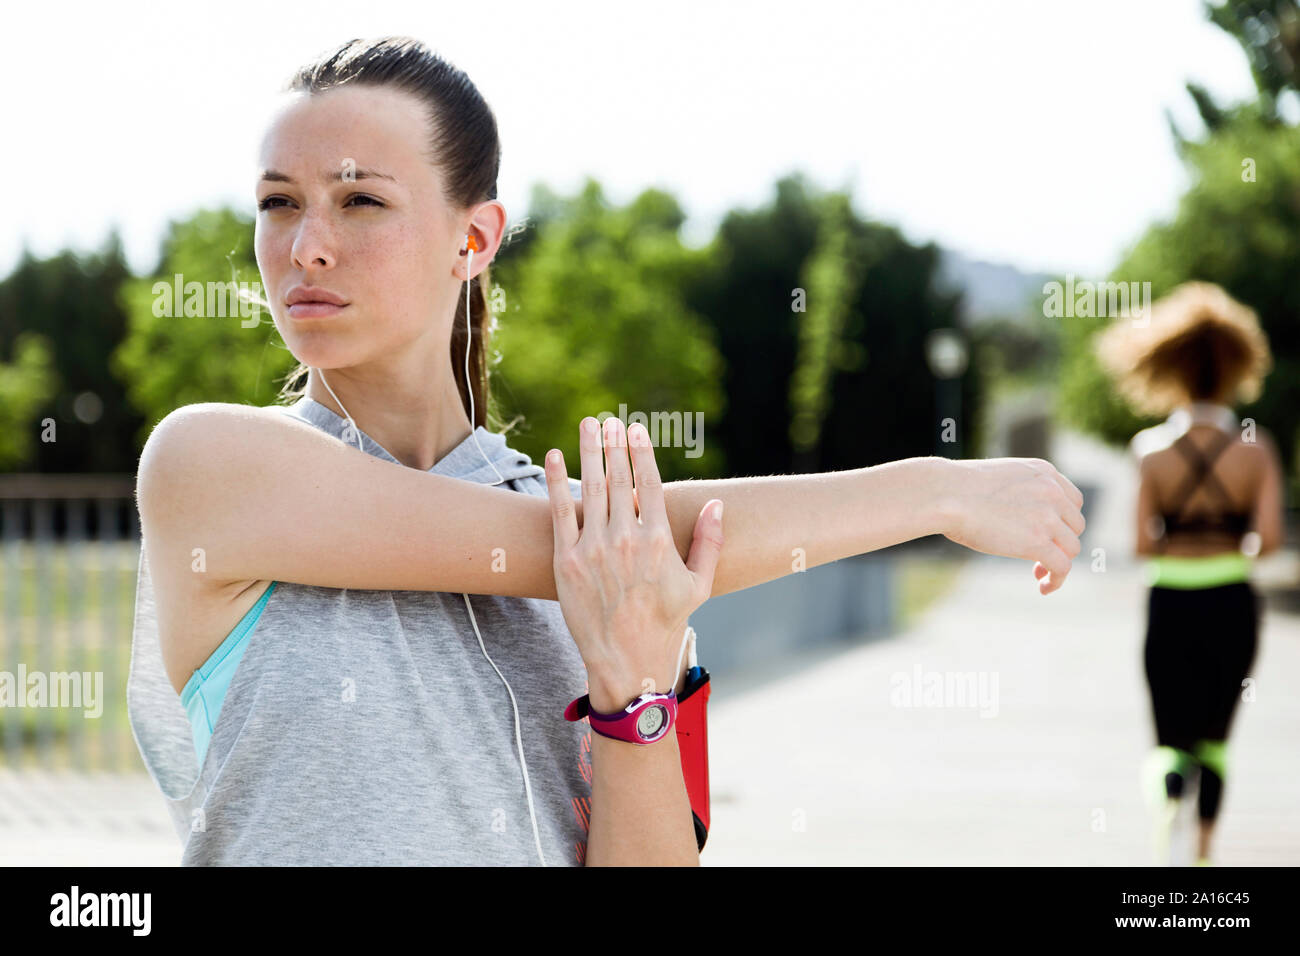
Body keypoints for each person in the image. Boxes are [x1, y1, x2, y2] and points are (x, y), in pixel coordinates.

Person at [127, 36, 1085, 866]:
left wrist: (633, 694)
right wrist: (931, 491)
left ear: (475, 237)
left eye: (361, 201)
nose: (306, 247)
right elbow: (589, 546)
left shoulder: (624, 569)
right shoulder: (210, 469)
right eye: (278, 202)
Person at [1096, 281, 1284, 865]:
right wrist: (1228, 542)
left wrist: (1180, 538)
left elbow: (1139, 544)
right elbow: (1270, 542)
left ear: (1167, 365)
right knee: (1216, 742)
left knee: (1168, 741)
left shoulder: (1150, 450)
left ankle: (1169, 812)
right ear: (1236, 365)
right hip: (1233, 603)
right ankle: (1203, 854)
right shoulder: (1257, 450)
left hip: (1170, 604)